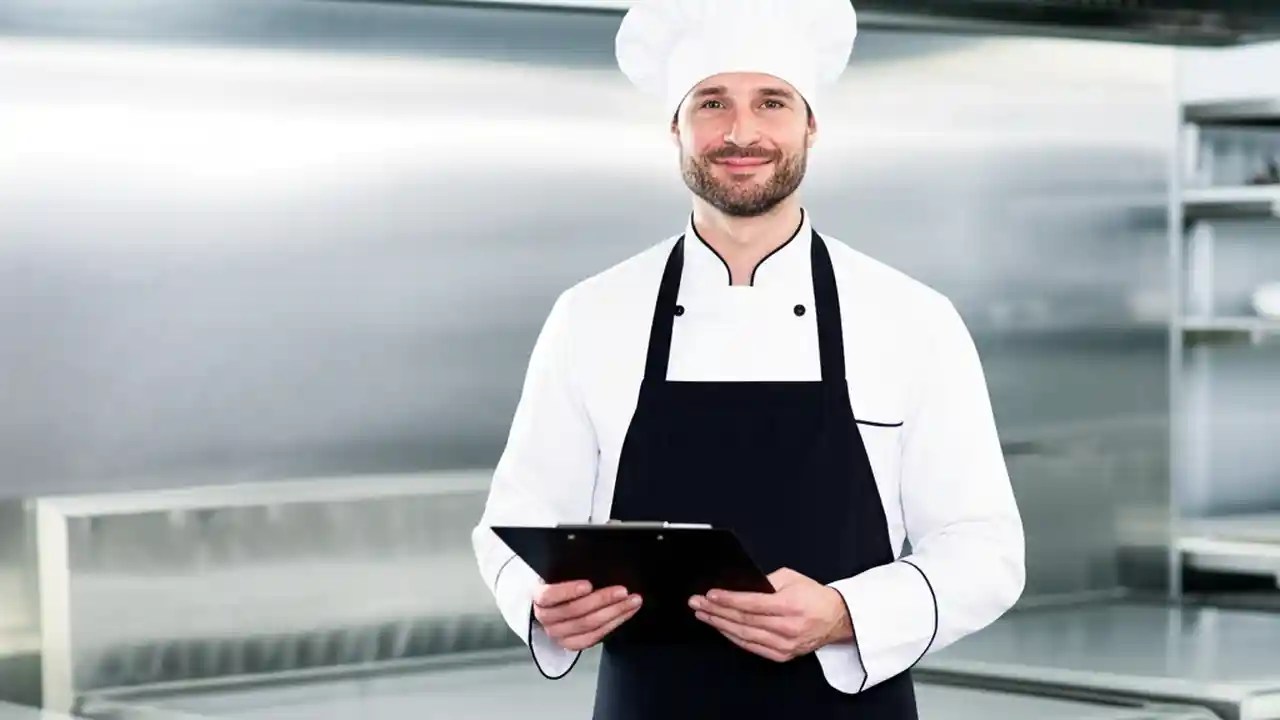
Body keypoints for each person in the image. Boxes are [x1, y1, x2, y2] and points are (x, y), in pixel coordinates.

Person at [471, 0, 1025, 716]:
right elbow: (515, 518)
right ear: (675, 125)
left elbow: (984, 547)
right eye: (711, 103)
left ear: (811, 124)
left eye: (771, 101)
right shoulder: (591, 316)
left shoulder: (912, 318)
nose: (741, 132)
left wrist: (846, 611)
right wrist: (541, 604)